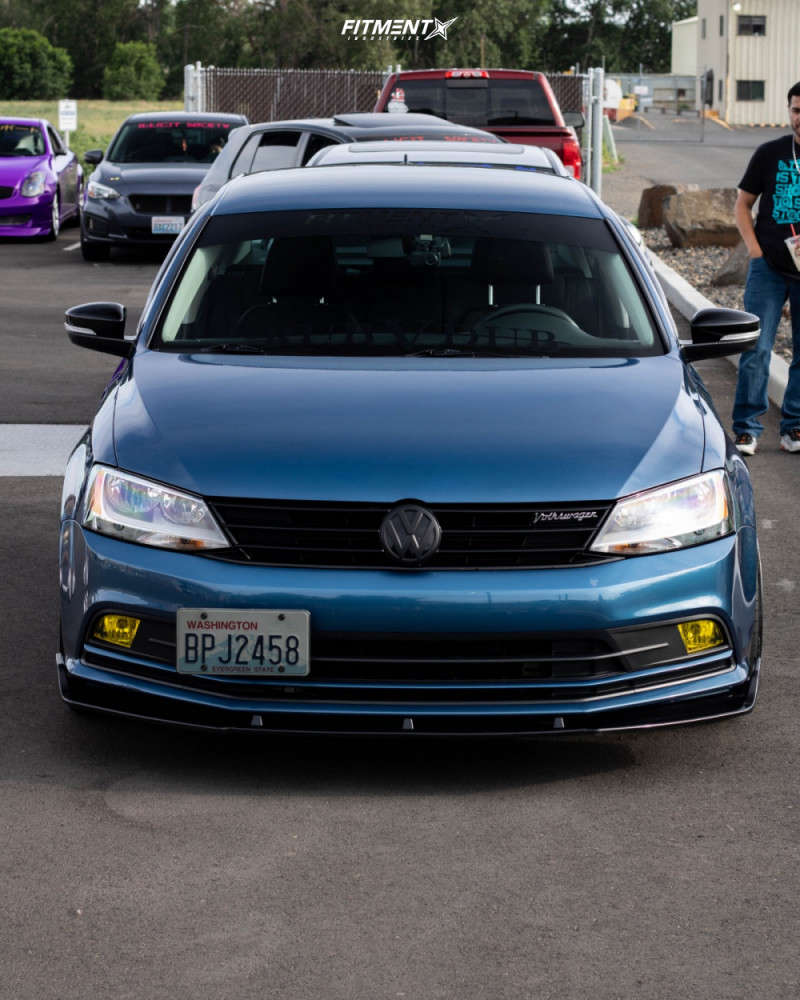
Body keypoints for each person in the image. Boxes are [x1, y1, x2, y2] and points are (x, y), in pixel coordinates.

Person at [732, 81, 800, 455]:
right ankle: (746, 428)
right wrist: (755, 250)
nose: (799, 118)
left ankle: (795, 427)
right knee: (756, 348)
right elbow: (742, 204)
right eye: (796, 109)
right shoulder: (770, 153)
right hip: (770, 268)